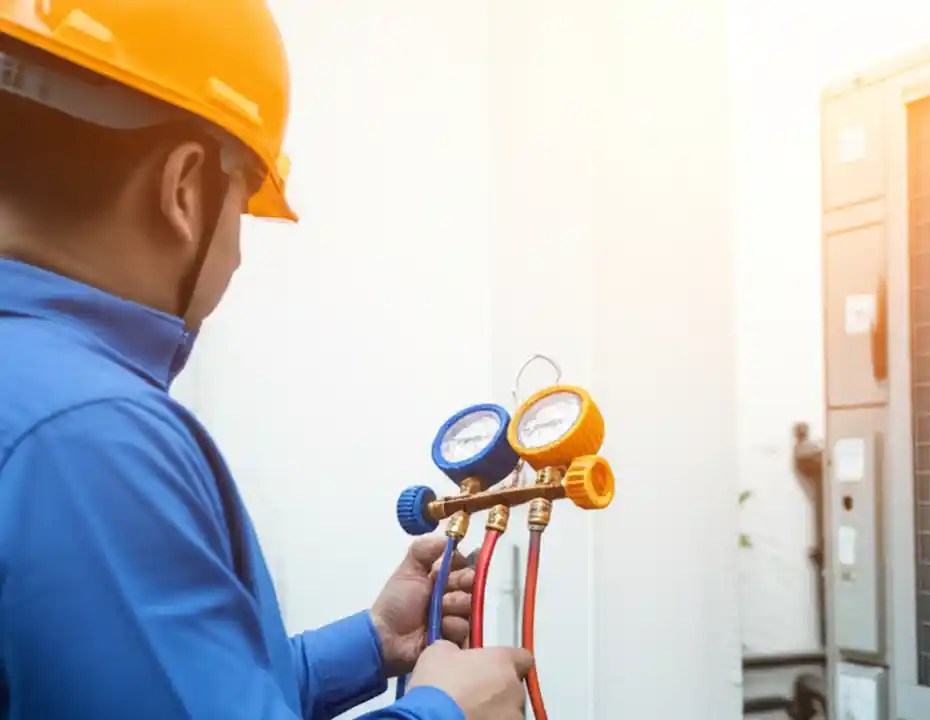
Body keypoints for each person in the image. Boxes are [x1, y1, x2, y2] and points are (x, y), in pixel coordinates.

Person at [0, 3, 532, 719]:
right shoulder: (90, 436)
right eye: (243, 207)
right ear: (183, 188)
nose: (237, 254)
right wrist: (449, 711)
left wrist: (372, 641)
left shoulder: (36, 395)